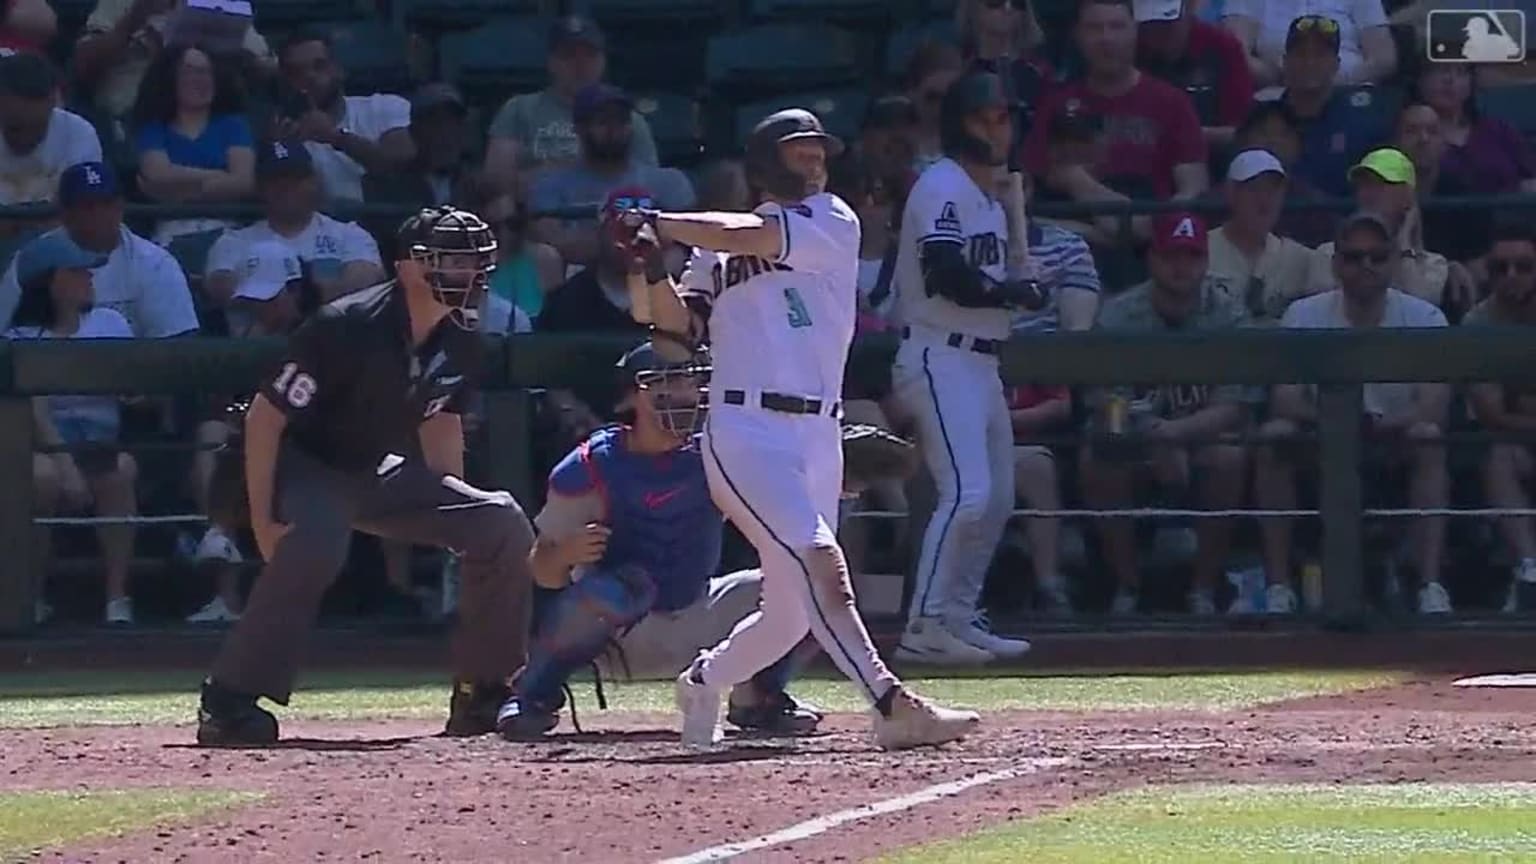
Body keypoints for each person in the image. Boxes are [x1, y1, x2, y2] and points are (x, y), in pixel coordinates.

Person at [612, 107, 980, 750]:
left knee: (789, 615)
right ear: (764, 161)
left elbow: (754, 236)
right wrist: (646, 264)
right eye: (799, 148)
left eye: (818, 149)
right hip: (744, 428)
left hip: (819, 433)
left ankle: (703, 679)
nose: (814, 159)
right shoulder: (713, 249)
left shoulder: (831, 218)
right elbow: (672, 331)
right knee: (821, 562)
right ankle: (890, 702)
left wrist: (659, 222)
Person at [193, 206, 536, 747]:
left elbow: (441, 419)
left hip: (371, 466)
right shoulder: (347, 324)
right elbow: (265, 418)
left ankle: (485, 690)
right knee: (318, 539)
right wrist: (262, 521)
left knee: (500, 521)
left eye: (471, 260)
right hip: (298, 461)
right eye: (448, 258)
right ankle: (228, 699)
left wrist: (447, 511)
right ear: (406, 268)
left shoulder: (463, 336)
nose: (464, 270)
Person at [495, 341, 821, 739]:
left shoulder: (720, 451)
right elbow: (542, 571)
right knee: (613, 589)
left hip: (701, 612)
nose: (681, 394)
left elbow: (784, 509)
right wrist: (564, 553)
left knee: (808, 582)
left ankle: (759, 697)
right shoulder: (592, 465)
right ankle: (534, 696)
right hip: (619, 634)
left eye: (689, 382)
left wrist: (833, 478)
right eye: (665, 383)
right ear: (630, 396)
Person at [890, 72, 1054, 664]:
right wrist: (1011, 291)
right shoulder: (943, 184)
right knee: (968, 492)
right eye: (986, 119)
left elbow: (993, 275)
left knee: (999, 495)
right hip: (939, 352)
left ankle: (957, 615)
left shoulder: (990, 195)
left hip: (981, 359)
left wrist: (1021, 280)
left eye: (1004, 118)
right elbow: (945, 273)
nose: (998, 130)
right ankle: (924, 624)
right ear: (960, 125)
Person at [1255, 212, 1452, 616]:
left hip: (1396, 441)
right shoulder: (1303, 315)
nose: (1366, 266)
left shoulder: (1424, 317)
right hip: (1320, 440)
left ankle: (1430, 585)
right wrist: (1334, 422)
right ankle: (1277, 585)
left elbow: (1434, 404)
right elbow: (1284, 399)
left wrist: (1382, 425)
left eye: (1377, 257)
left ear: (1393, 261)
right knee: (1274, 435)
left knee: (1428, 437)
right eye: (1354, 257)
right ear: (1335, 264)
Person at [1079, 212, 1251, 615]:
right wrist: (1151, 435)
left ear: (1205, 262)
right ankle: (1128, 587)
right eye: (1171, 255)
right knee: (1096, 457)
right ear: (1152, 259)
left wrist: (1176, 434)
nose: (1181, 266)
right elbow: (1104, 398)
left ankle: (1202, 590)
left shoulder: (1228, 313)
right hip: (1136, 435)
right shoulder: (1119, 314)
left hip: (1201, 436)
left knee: (1229, 458)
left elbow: (1234, 405)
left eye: (1192, 256)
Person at [6, 230, 140, 625]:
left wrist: (134, 391)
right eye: (78, 271)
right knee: (41, 478)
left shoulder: (110, 323)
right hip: (44, 447)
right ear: (51, 282)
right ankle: (30, 596)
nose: (89, 277)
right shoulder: (20, 337)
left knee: (121, 469)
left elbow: (137, 390)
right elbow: (36, 415)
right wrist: (66, 466)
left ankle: (117, 599)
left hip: (99, 442)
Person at [0, 161, 198, 336]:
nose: (100, 214)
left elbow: (174, 345)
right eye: (88, 206)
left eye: (108, 204)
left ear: (121, 206)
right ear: (65, 213)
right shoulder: (34, 260)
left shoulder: (155, 263)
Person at [483, 14, 660, 195]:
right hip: (535, 207)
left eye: (590, 55)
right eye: (569, 56)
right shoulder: (519, 109)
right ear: (551, 62)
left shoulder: (627, 118)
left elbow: (650, 186)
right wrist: (578, 172)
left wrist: (554, 173)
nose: (580, 65)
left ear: (603, 61)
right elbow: (497, 183)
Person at [204, 140, 384, 307]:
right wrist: (313, 295)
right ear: (260, 187)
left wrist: (280, 298)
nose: (287, 186)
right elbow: (221, 289)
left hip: (333, 329)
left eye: (297, 178)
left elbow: (363, 282)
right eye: (276, 179)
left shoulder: (350, 235)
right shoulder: (233, 241)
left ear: (315, 181)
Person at [1465, 221, 1536, 612]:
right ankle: (1530, 570)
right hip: (1517, 444)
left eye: (1523, 266)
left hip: (1523, 428)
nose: (1512, 276)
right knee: (1498, 455)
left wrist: (1518, 406)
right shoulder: (1478, 322)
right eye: (1500, 267)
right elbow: (1492, 414)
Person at [273, 28, 415, 205]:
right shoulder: (280, 131)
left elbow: (401, 166)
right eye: (296, 72)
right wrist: (280, 147)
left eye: (319, 66)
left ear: (339, 69)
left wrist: (336, 137)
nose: (309, 76)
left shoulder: (384, 106)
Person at [131, 43, 254, 244]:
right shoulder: (153, 127)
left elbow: (243, 181)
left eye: (206, 72)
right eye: (190, 72)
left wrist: (175, 195)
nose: (201, 80)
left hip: (227, 230)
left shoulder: (233, 125)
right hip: (170, 232)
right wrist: (221, 176)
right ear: (170, 78)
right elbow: (157, 175)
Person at [1207, 148, 1314, 322]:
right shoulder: (1202, 250)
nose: (1264, 199)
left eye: (1274, 189)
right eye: (1254, 188)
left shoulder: (1301, 259)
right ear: (1231, 193)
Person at [1134, 0, 1255, 146]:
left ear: (1188, 8)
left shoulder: (1224, 47)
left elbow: (1244, 131)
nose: (1159, 30)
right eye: (1151, 23)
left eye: (1168, 21)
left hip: (1214, 153)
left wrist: (1187, 134)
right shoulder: (1130, 49)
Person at [0, 52, 102, 207]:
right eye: (15, 128)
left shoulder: (78, 133)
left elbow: (84, 210)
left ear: (54, 101)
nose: (26, 138)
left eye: (37, 127)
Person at [1223, 1, 1395, 88]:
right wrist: (1278, 77)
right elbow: (1235, 52)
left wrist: (1331, 81)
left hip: (1349, 89)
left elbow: (1384, 59)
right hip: (1278, 91)